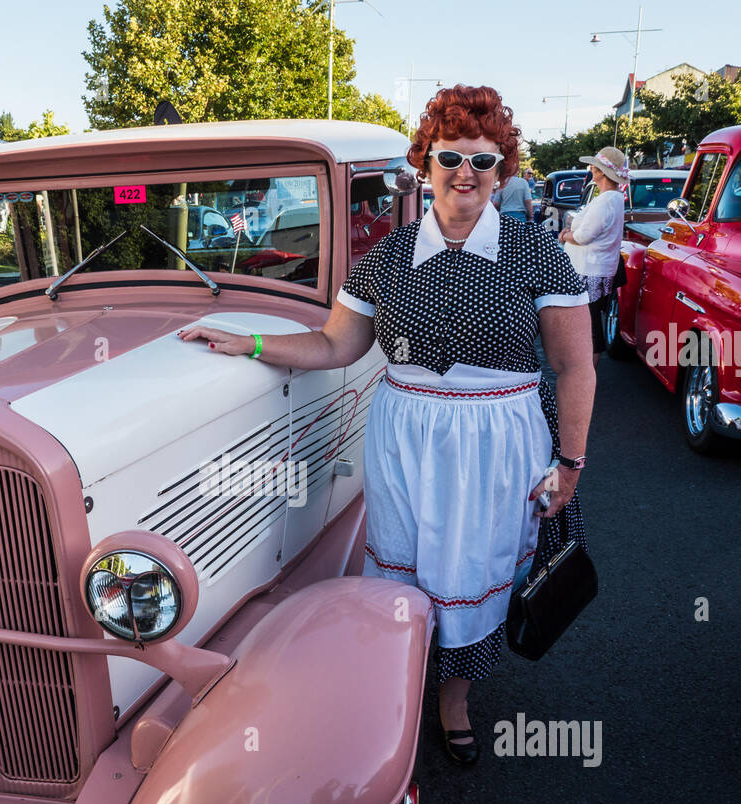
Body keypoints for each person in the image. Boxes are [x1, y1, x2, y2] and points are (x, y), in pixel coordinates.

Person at [178, 84, 596, 765]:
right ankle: (394, 678)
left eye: (483, 161)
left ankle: (453, 696)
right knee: (405, 562)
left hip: (497, 438)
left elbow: (574, 368)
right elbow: (335, 346)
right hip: (405, 432)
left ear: (503, 169)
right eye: (449, 158)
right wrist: (249, 344)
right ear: (422, 165)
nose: (466, 174)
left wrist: (570, 464)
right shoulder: (385, 259)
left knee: (474, 564)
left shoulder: (536, 254)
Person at [559, 147, 626, 367]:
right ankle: (586, 371)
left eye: (594, 166)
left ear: (602, 172)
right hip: (596, 269)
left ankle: (587, 375)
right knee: (590, 323)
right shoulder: (612, 198)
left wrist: (566, 235)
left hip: (590, 272)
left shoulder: (606, 201)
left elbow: (583, 236)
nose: (591, 169)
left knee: (589, 326)